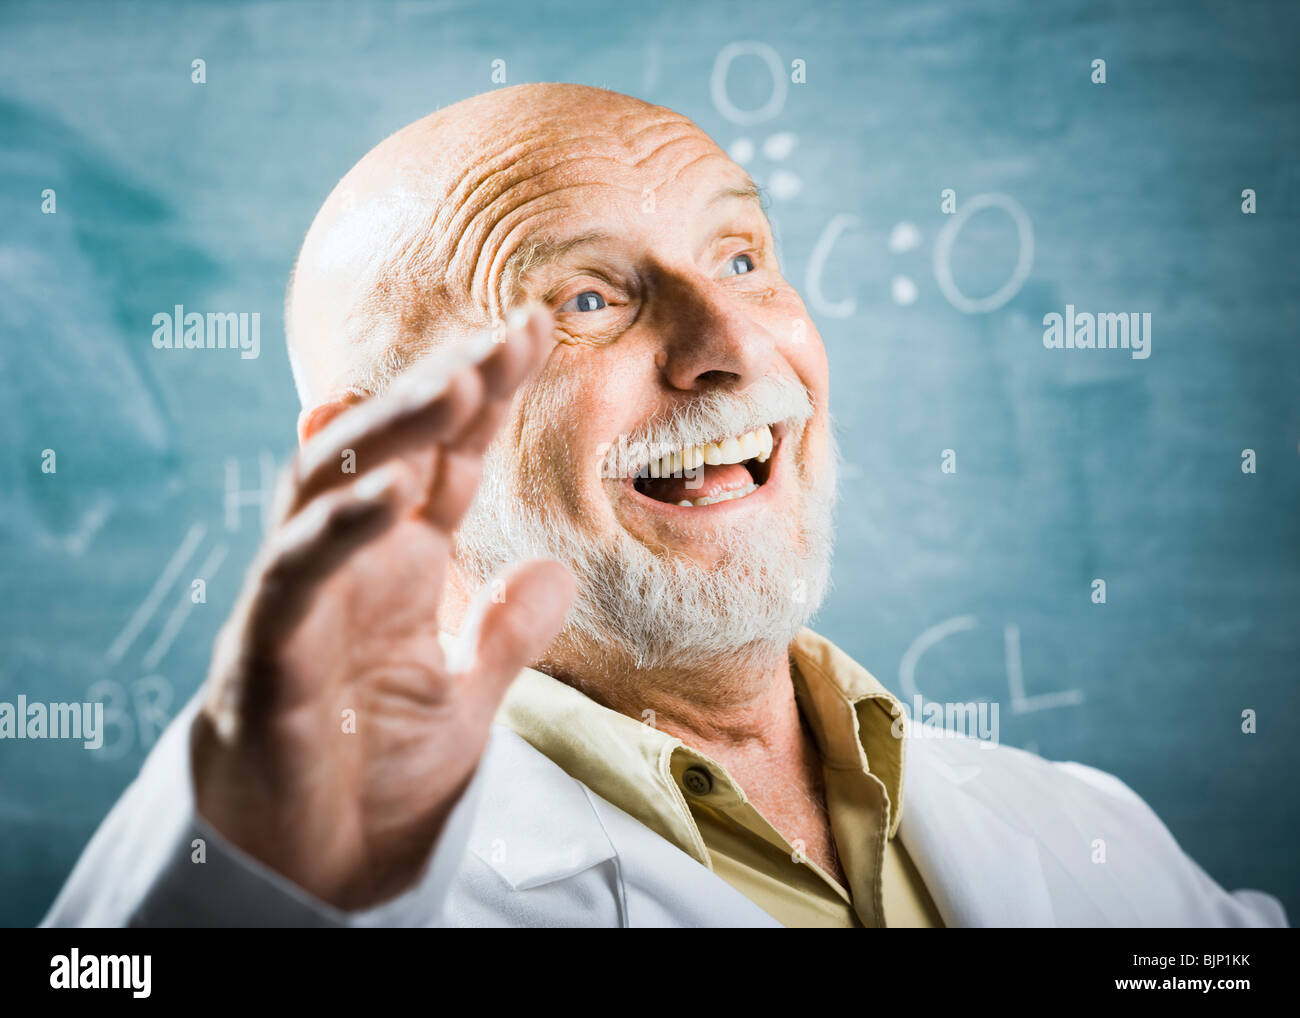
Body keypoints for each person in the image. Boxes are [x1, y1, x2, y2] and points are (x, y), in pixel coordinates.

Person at [44, 84, 1285, 928]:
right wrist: (237, 883)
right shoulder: (318, 893)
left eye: (743, 259)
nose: (733, 347)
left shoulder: (1085, 832)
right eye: (588, 299)